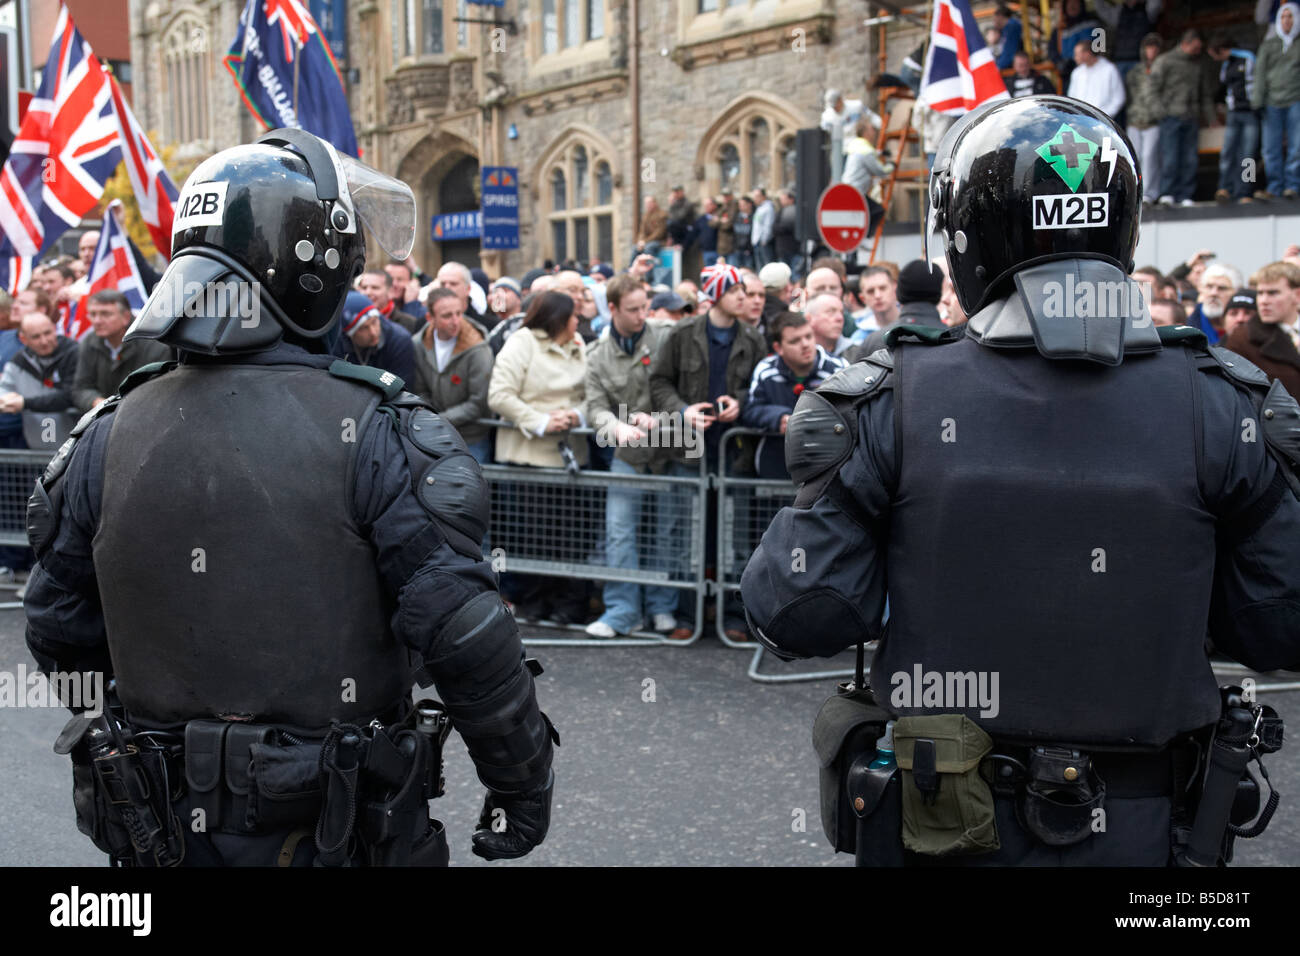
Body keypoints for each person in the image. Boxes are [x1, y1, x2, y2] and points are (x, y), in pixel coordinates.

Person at [742, 95, 1300, 867]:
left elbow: (797, 613)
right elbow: (1280, 626)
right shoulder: (1227, 401)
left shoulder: (888, 396)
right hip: (1151, 830)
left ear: (970, 238)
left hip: (945, 824)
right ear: (1122, 226)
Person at [24, 129, 555, 867]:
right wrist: (521, 780)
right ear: (313, 269)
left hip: (164, 832)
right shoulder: (383, 429)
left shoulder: (103, 433)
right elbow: (465, 637)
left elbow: (55, 627)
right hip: (337, 834)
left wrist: (151, 723)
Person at [650, 264, 766, 640]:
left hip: (734, 453)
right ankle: (687, 615)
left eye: (744, 292)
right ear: (715, 294)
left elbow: (760, 387)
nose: (743, 298)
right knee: (688, 534)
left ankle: (734, 616)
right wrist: (684, 410)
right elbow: (659, 382)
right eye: (735, 291)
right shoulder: (682, 334)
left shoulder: (752, 338)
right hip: (689, 452)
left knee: (736, 537)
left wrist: (741, 403)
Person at [582, 275, 678, 637]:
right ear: (612, 309)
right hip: (627, 451)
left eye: (645, 307)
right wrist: (615, 428)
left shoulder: (667, 337)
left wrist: (662, 419)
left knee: (667, 531)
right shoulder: (597, 356)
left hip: (671, 448)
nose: (642, 315)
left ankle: (662, 607)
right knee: (619, 531)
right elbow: (595, 408)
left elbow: (686, 390)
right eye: (633, 309)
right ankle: (622, 611)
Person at [487, 289, 590, 624]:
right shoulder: (522, 343)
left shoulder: (580, 346)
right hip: (528, 455)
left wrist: (576, 415)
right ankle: (534, 603)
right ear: (559, 318)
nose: (579, 321)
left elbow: (596, 394)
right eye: (574, 315)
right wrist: (541, 421)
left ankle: (569, 606)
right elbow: (500, 395)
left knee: (571, 536)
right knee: (532, 536)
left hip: (571, 456)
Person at [741, 310, 845, 479]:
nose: (805, 344)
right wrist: (778, 418)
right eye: (795, 341)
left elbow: (852, 412)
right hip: (775, 470)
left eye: (808, 337)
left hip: (826, 471)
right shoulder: (766, 370)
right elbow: (750, 410)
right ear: (778, 348)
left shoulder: (838, 369)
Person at [409, 287, 494, 463]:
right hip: (434, 433)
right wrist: (431, 417)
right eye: (447, 316)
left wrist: (440, 419)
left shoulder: (478, 349)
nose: (456, 321)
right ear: (430, 318)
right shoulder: (419, 343)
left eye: (459, 313)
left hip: (471, 437)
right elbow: (420, 389)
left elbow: (478, 402)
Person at [70, 290, 172, 413]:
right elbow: (80, 388)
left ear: (126, 317)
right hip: (100, 416)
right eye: (93, 314)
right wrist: (97, 402)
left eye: (105, 314)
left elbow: (157, 392)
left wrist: (117, 407)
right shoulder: (89, 342)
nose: (97, 321)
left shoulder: (153, 345)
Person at [1152, 29, 1216, 206]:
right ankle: (1167, 193)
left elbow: (1205, 95)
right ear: (1186, 43)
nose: (1198, 51)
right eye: (1196, 48)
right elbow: (1153, 88)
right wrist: (1160, 112)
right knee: (1170, 157)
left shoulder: (1198, 65)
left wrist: (1211, 119)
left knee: (1190, 159)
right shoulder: (1165, 61)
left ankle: (1185, 194)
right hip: (1171, 117)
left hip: (1191, 117)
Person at [0, 311, 80, 451]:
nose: (44, 341)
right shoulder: (20, 360)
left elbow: (70, 395)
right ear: (24, 339)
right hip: (36, 446)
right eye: (36, 337)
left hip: (74, 447)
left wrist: (24, 403)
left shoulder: (74, 352)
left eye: (47, 333)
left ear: (55, 329)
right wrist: (7, 400)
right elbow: (4, 389)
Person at [1222, 269, 1300, 396]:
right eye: (1260, 293)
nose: (1263, 301)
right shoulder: (1242, 339)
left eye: (1273, 293)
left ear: (1297, 295)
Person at [1251, 3, 1300, 200]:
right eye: (1283, 17)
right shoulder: (1269, 45)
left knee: (1296, 147)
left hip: (1296, 100)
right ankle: (1274, 186)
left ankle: (1292, 185)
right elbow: (1260, 74)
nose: (1287, 21)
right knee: (1270, 149)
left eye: (1290, 17)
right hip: (1272, 102)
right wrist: (1257, 100)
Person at [1209, 35, 1260, 203]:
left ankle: (1245, 191)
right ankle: (1225, 188)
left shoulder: (1248, 58)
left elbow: (1256, 82)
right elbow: (1224, 87)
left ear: (1221, 50)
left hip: (1250, 113)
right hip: (1233, 113)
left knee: (1248, 155)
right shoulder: (1226, 64)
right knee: (1228, 151)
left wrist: (1256, 105)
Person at [333, 290, 416, 383]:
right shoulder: (336, 342)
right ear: (350, 333)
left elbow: (403, 388)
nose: (373, 332)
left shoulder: (399, 340)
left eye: (374, 321)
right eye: (364, 328)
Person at [1126, 34, 1164, 202]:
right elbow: (1129, 94)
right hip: (1135, 119)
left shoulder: (1163, 69)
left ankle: (1150, 193)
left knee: (1150, 157)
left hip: (1154, 121)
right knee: (1135, 158)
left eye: (1155, 47)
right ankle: (1136, 192)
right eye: (1149, 47)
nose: (1152, 51)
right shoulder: (1135, 71)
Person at [1066, 39, 1126, 119]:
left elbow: (1118, 98)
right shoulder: (1077, 72)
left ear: (1087, 53)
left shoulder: (1109, 69)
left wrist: (1104, 116)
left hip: (1103, 122)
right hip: (1080, 120)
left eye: (1077, 54)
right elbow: (1072, 97)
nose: (1075, 58)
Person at [356, 268, 421, 334]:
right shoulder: (352, 319)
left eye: (375, 288)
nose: (368, 292)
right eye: (364, 288)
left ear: (390, 292)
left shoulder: (409, 323)